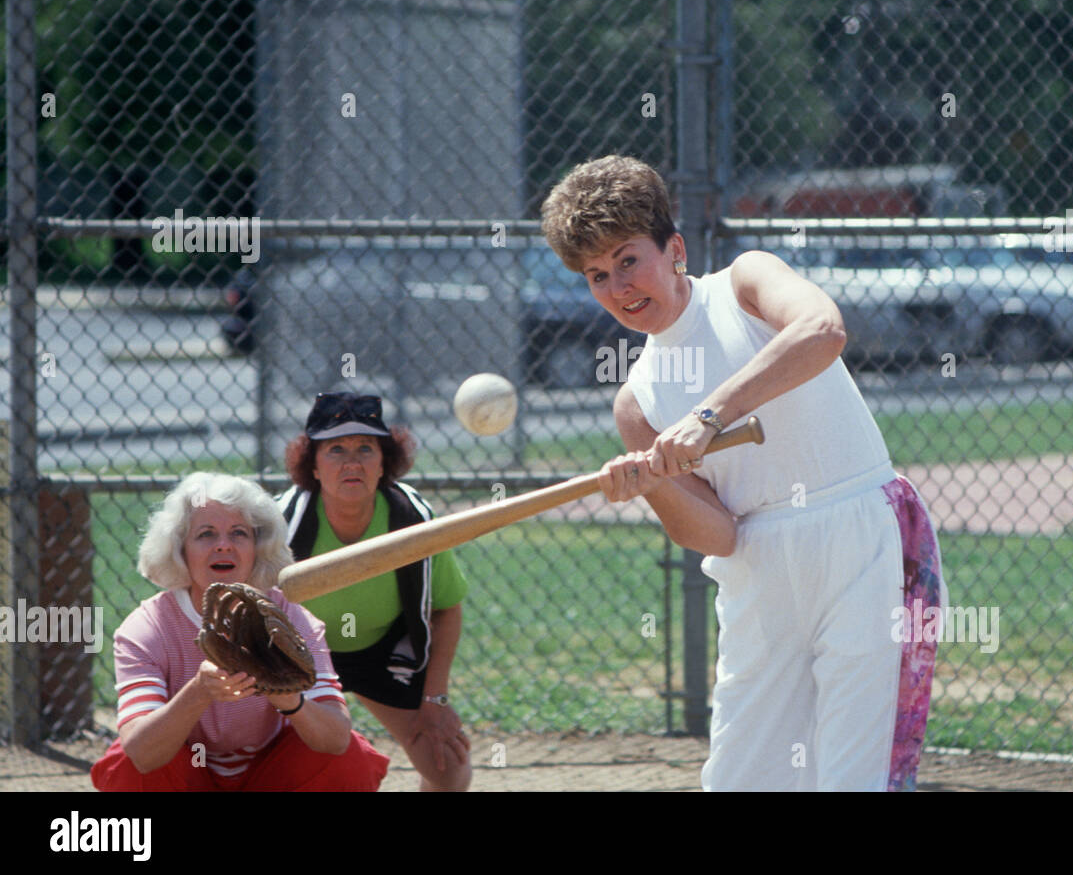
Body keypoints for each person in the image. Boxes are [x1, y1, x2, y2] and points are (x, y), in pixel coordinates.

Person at [541, 155, 948, 791]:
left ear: (673, 249)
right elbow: (717, 535)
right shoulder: (637, 401)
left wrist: (710, 415)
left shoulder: (744, 284)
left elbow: (822, 330)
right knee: (741, 777)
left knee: (851, 772)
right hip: (757, 568)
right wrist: (653, 486)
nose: (618, 287)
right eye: (596, 275)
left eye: (627, 259)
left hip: (859, 534)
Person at [90, 472, 390, 791]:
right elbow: (142, 754)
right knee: (126, 762)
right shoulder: (148, 627)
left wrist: (288, 697)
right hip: (192, 768)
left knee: (350, 757)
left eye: (239, 533)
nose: (224, 546)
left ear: (258, 547)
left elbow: (336, 739)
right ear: (180, 550)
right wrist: (199, 691)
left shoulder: (289, 615)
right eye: (206, 534)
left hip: (270, 771)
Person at [279, 392, 472, 791]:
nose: (352, 462)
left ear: (384, 462)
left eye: (366, 447)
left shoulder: (411, 519)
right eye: (335, 449)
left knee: (447, 765)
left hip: (382, 651)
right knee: (285, 765)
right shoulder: (281, 526)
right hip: (299, 656)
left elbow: (447, 608)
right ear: (312, 466)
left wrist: (434, 700)